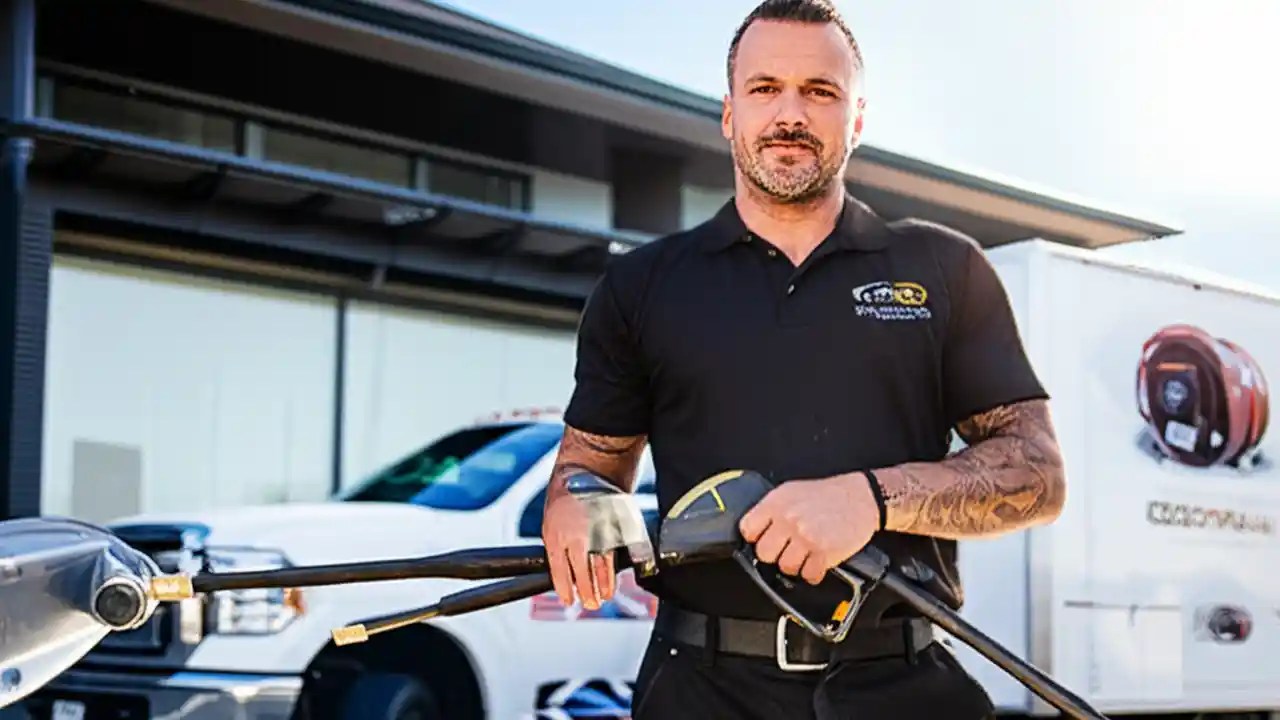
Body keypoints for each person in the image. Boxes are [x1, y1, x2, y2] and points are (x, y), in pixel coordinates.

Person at [540, 0, 1068, 718]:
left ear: (855, 118)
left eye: (820, 92)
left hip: (905, 685)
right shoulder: (643, 285)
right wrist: (573, 502)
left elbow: (1037, 474)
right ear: (730, 114)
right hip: (702, 688)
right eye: (765, 89)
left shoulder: (945, 268)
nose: (790, 113)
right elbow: (588, 467)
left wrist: (869, 499)